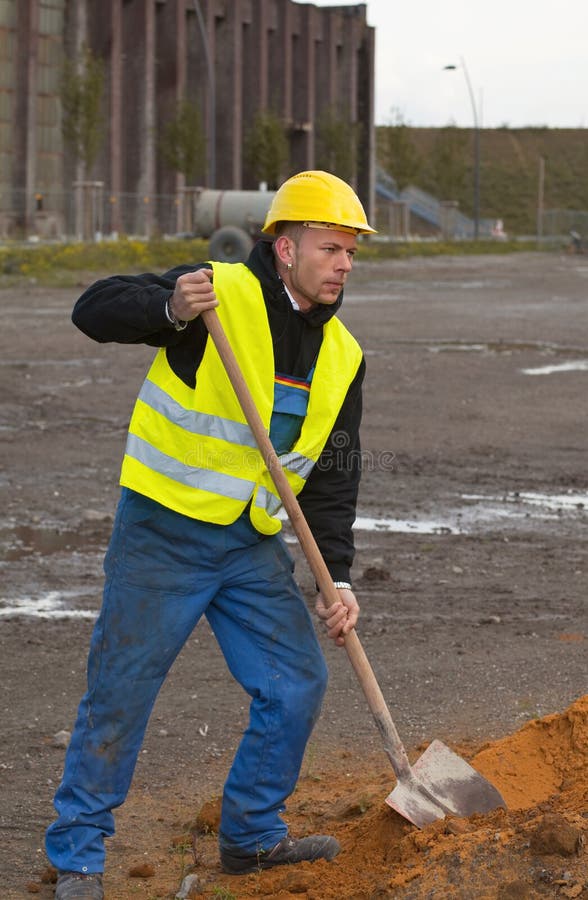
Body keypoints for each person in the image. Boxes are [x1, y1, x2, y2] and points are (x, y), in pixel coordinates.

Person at [45, 170, 376, 899]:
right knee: (120, 693)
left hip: (248, 547)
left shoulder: (344, 356)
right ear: (285, 249)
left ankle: (252, 837)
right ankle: (77, 856)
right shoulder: (216, 293)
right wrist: (168, 305)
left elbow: (331, 478)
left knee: (296, 683)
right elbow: (92, 309)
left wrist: (338, 579)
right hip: (162, 534)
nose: (345, 264)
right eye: (331, 248)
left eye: (352, 252)